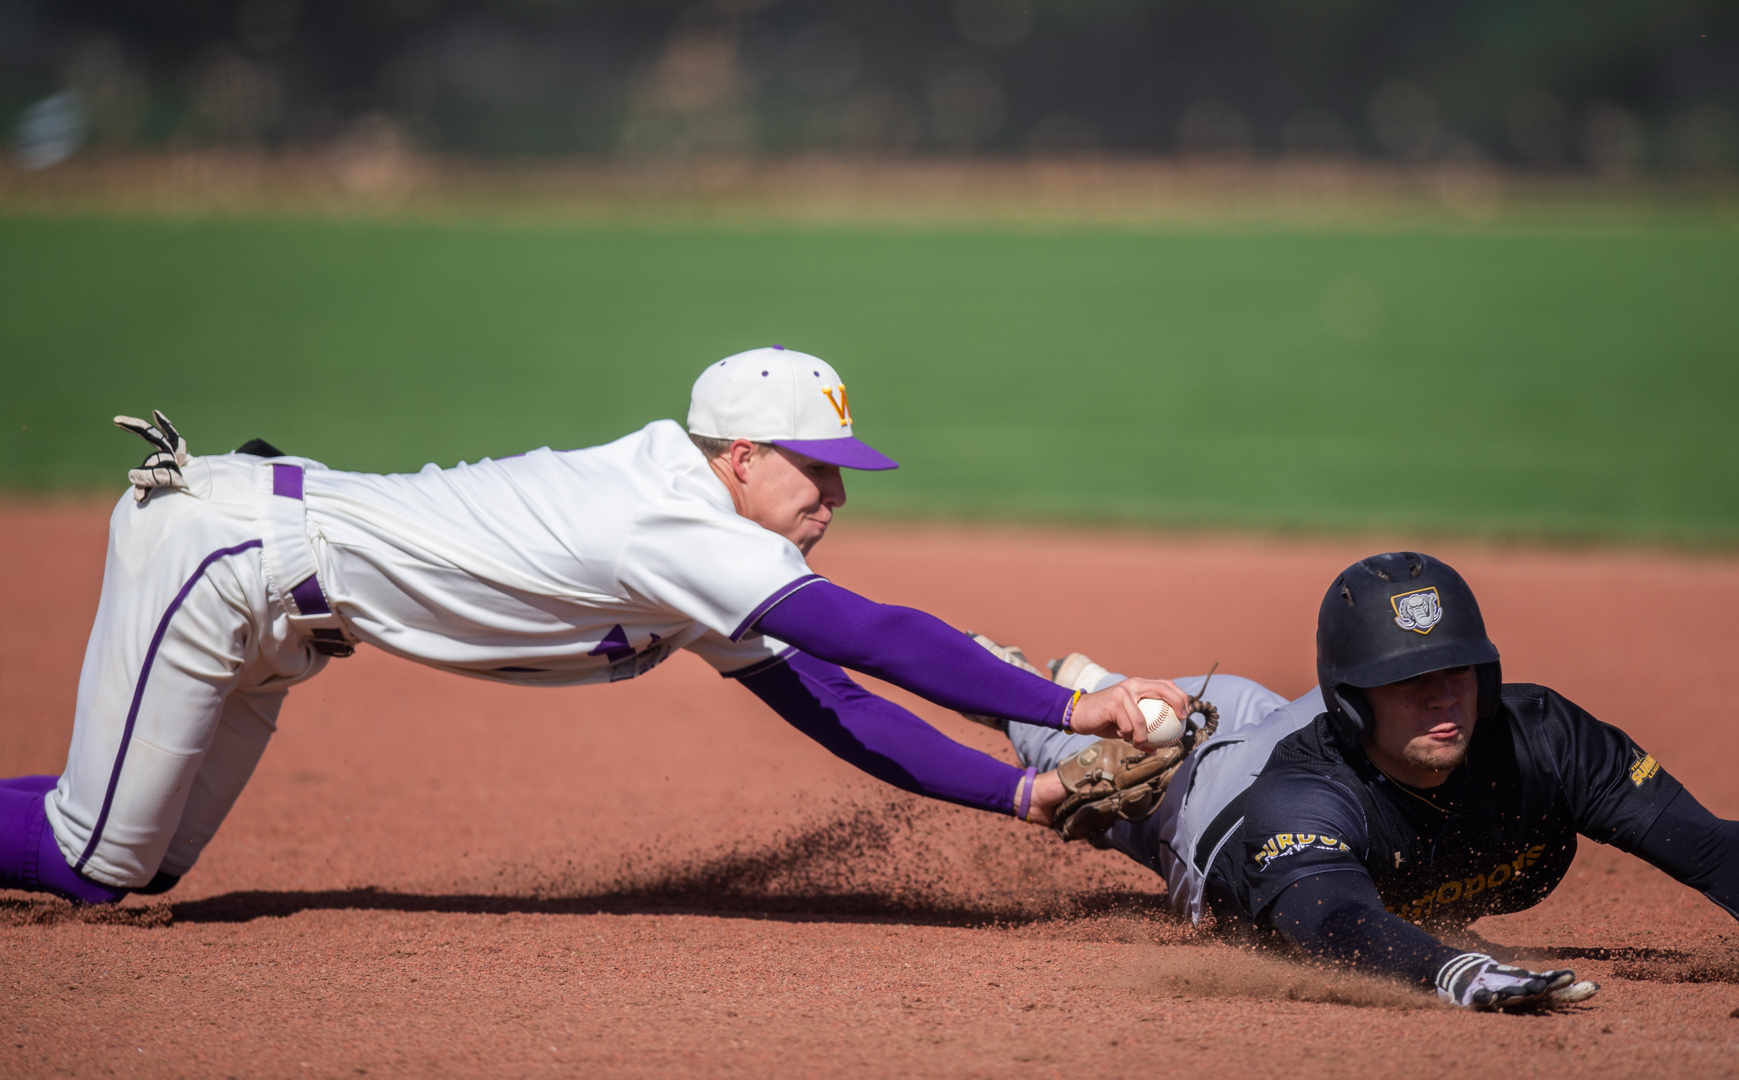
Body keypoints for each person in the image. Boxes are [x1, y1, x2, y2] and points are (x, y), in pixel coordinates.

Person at [1, 347, 1187, 905]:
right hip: (224, 557)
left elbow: (832, 700)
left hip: (280, 605)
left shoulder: (700, 540)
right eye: (812, 466)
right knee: (99, 860)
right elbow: (869, 636)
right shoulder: (672, 523)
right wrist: (1069, 706)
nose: (834, 492)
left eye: (842, 470)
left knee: (149, 857)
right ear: (739, 457)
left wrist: (1023, 794)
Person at [977, 551, 1739, 1009]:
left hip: (1303, 722)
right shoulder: (1293, 802)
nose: (1443, 700)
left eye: (1457, 671)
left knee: (1230, 703)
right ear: (1355, 700)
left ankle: (1100, 681)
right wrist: (1452, 971)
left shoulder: (1541, 737)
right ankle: (1026, 694)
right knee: (1129, 763)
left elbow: (1707, 844)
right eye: (1409, 681)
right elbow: (1334, 922)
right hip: (1210, 800)